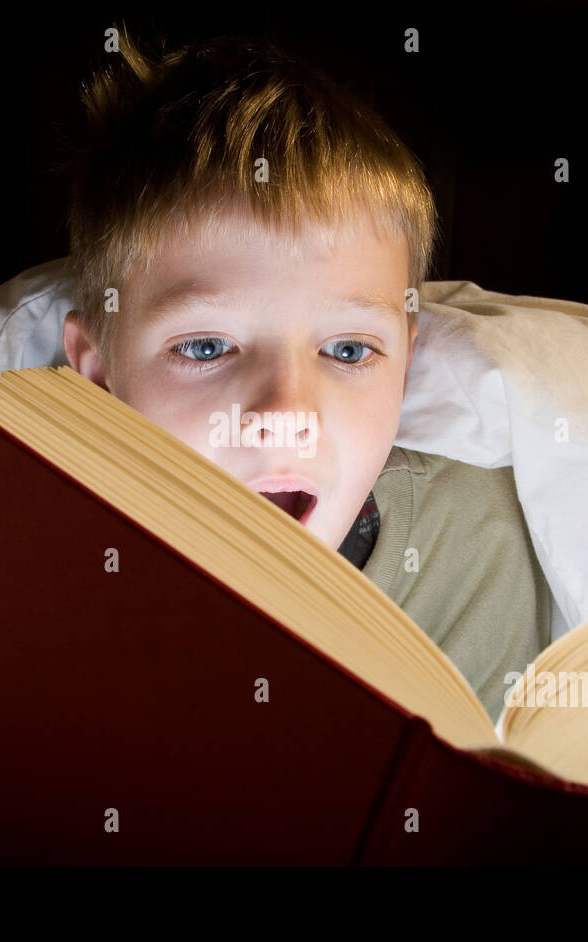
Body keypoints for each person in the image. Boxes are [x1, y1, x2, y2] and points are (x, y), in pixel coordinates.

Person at [57, 29, 551, 722]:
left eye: (348, 352)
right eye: (205, 347)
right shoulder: (34, 560)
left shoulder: (476, 547)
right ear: (100, 377)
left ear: (405, 366)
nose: (288, 413)